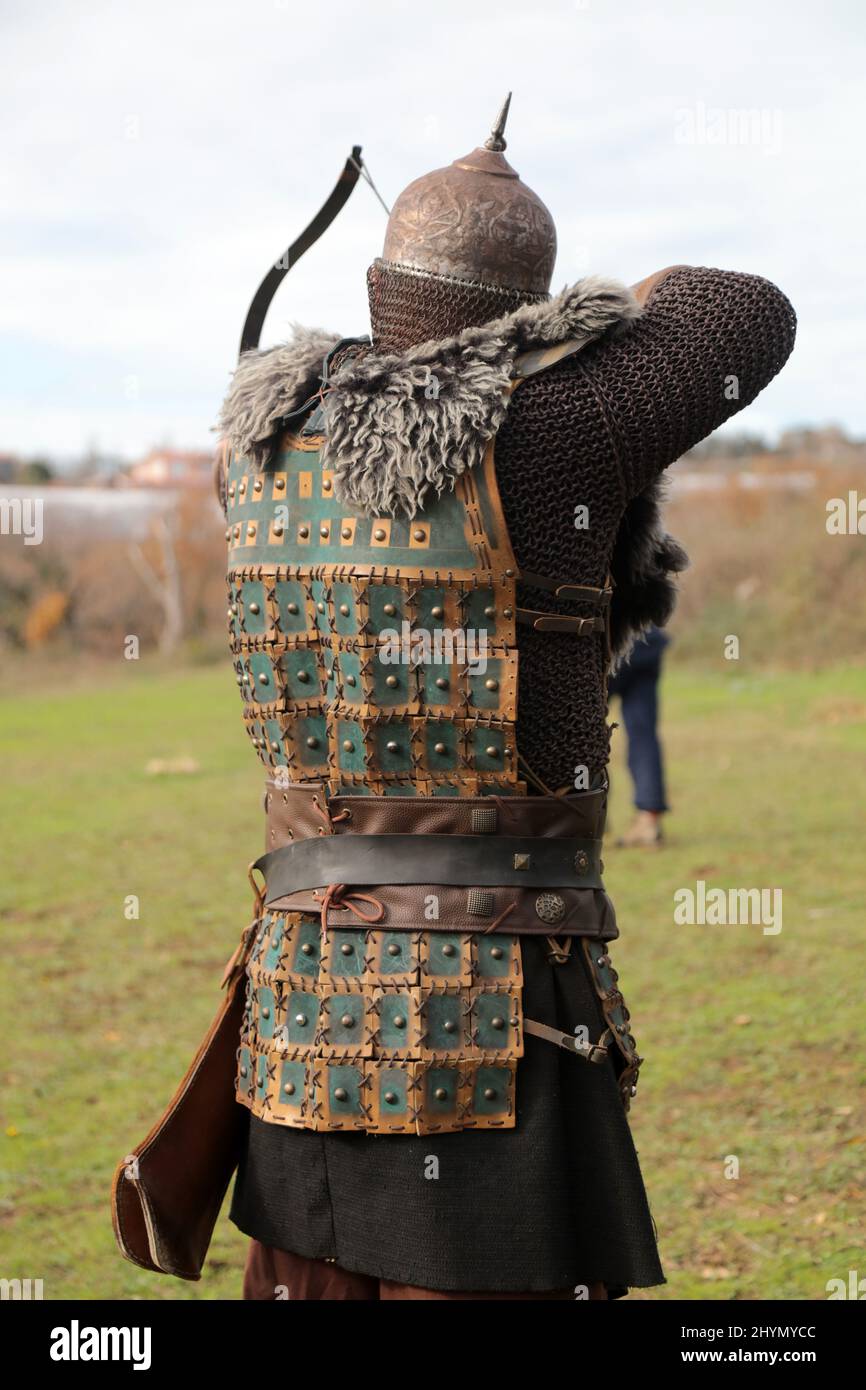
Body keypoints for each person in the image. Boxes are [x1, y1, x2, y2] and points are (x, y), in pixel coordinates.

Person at [210, 98, 796, 1300]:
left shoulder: (262, 439)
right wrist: (573, 338)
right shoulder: (551, 429)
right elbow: (747, 313)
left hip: (300, 998)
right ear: (527, 315)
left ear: (375, 284)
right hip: (487, 1004)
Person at [608, 625, 670, 847]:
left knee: (582, 730)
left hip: (607, 641)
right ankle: (648, 820)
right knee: (643, 734)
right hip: (645, 639)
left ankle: (589, 816)